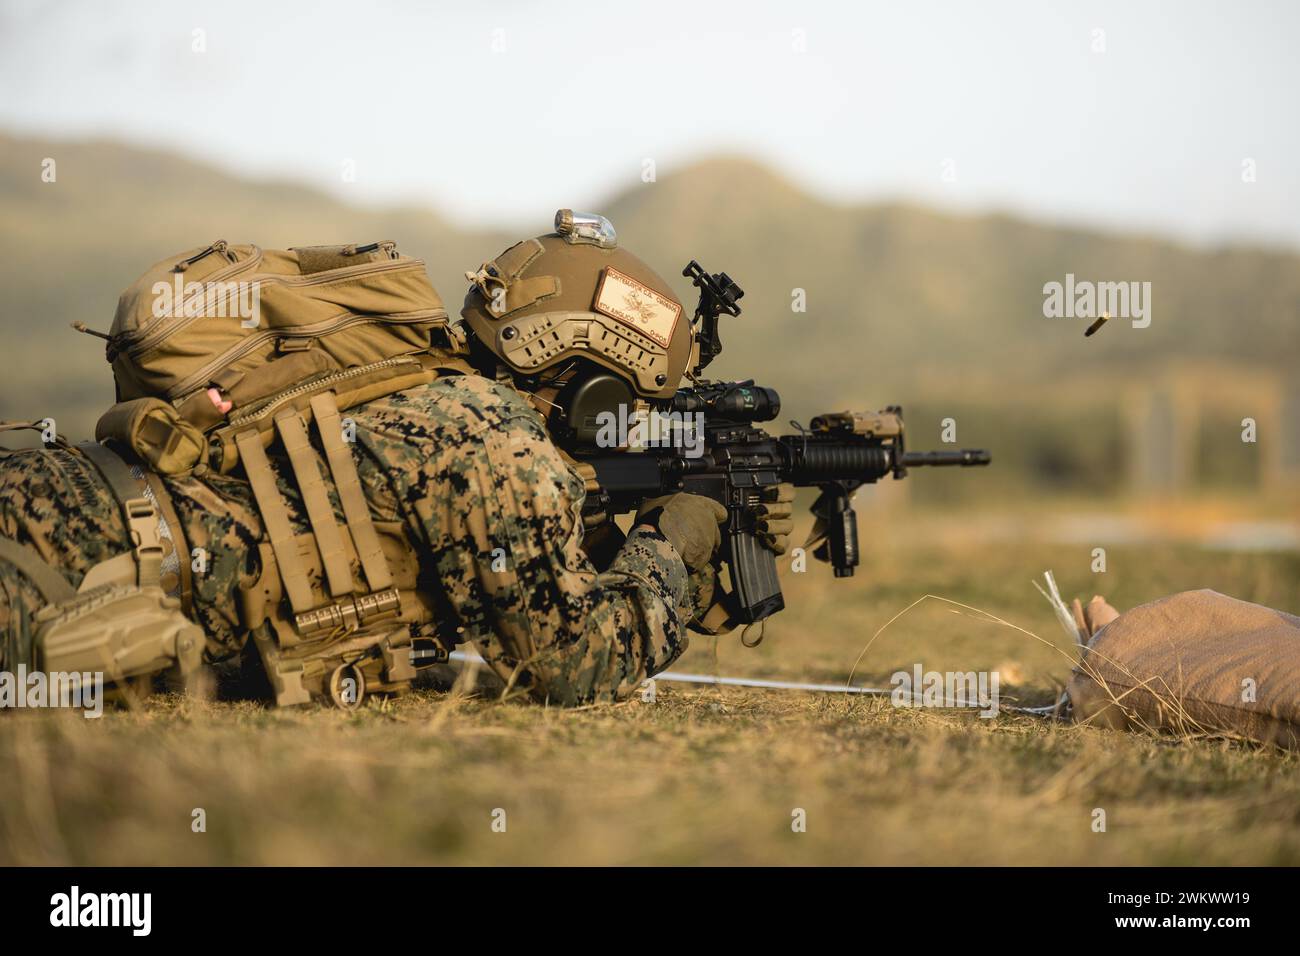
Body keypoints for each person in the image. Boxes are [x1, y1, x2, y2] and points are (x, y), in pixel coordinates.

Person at [0, 212, 792, 707]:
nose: (624, 428)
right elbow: (570, 664)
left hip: (68, 505)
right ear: (584, 381)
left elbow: (503, 554)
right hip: (67, 567)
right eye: (623, 404)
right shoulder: (497, 439)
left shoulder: (413, 377)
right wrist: (675, 542)